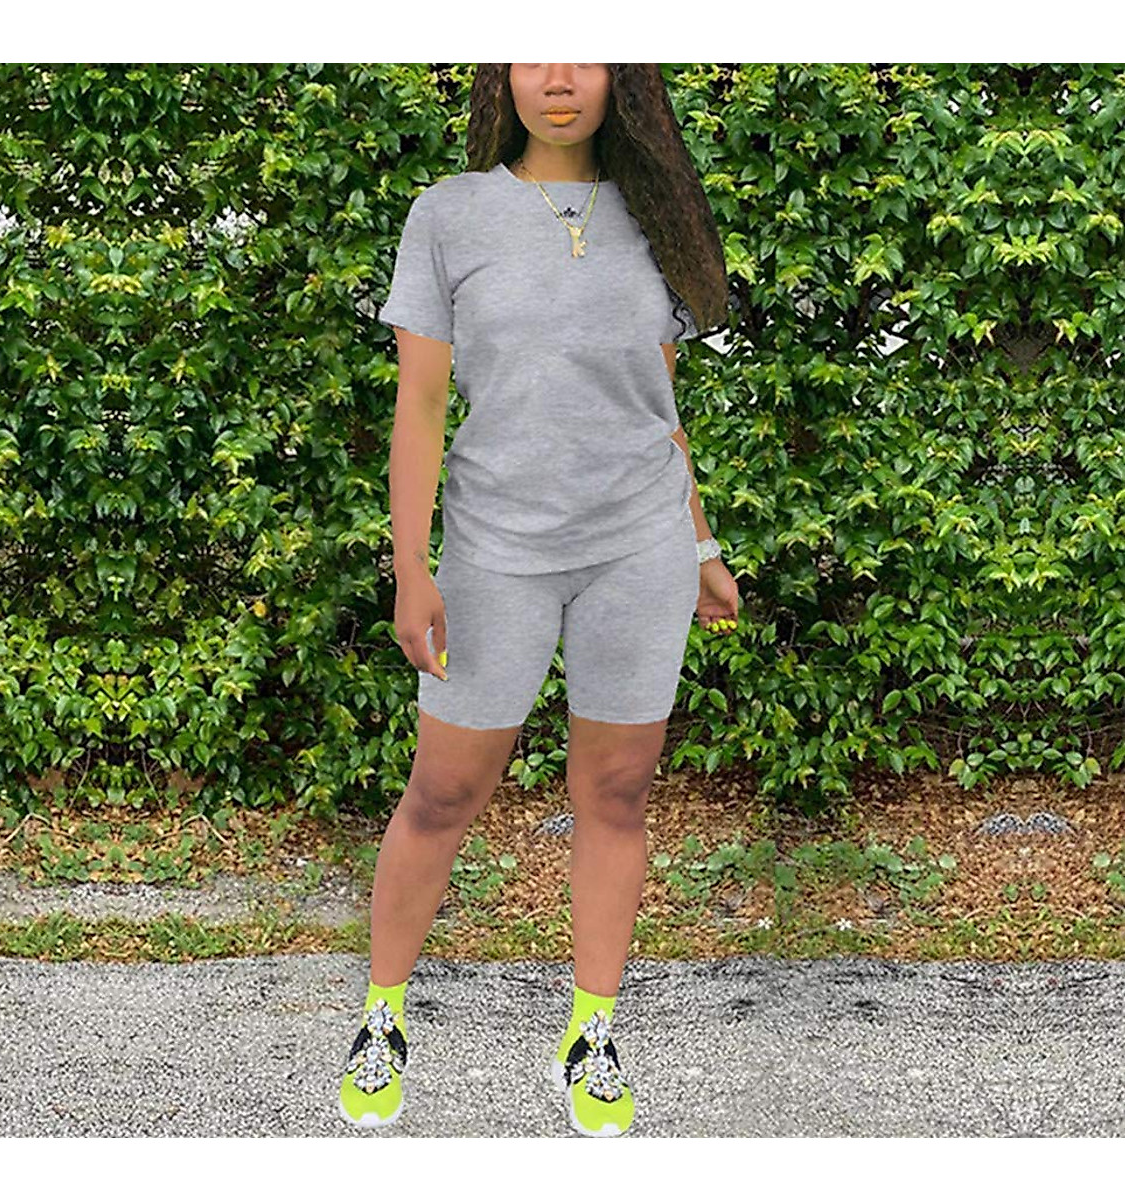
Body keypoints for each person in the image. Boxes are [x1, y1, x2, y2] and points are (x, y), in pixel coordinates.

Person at [338, 63, 737, 1137]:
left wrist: (700, 542)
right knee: (442, 793)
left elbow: (657, 405)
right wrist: (412, 567)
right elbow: (422, 403)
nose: (558, 79)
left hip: (640, 547)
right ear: (500, 76)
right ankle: (381, 1016)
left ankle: (591, 1035)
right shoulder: (450, 214)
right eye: (532, 52)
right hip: (495, 550)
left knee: (616, 793)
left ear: (623, 77)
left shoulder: (659, 215)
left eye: (584, 53)